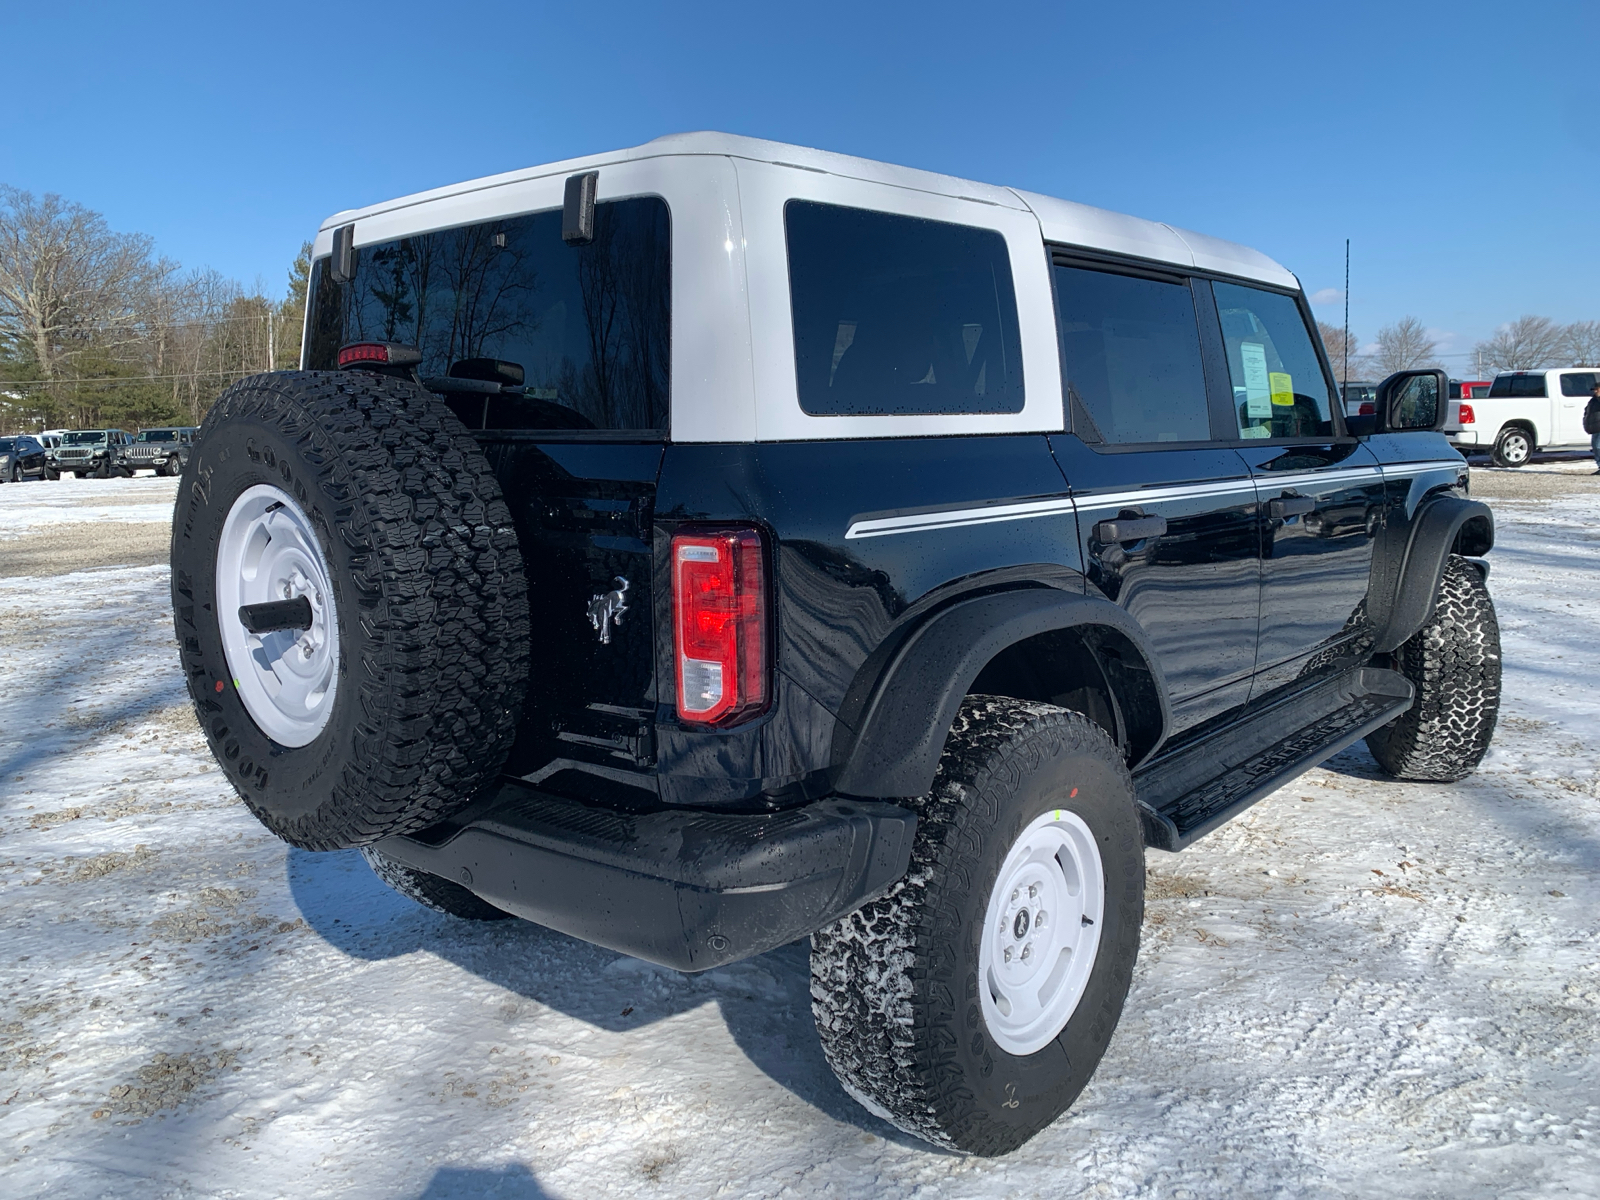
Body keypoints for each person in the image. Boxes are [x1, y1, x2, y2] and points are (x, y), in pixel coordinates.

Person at [1587, 382, 1600, 474]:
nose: (1595, 391)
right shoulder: (1593, 400)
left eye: (1597, 389)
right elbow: (1587, 412)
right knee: (1595, 447)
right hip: (1595, 427)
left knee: (1598, 447)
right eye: (1594, 389)